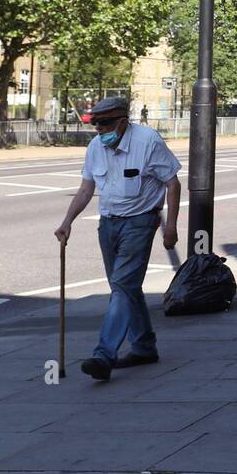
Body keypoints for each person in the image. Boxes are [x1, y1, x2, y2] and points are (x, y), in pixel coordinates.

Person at [54, 96, 180, 381]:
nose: (99, 128)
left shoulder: (148, 141)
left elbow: (172, 183)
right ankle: (144, 347)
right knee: (125, 288)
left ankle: (104, 354)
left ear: (123, 122)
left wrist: (170, 227)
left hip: (140, 222)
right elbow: (86, 188)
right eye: (95, 123)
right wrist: (67, 221)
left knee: (122, 286)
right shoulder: (95, 147)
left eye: (105, 123)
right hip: (108, 224)